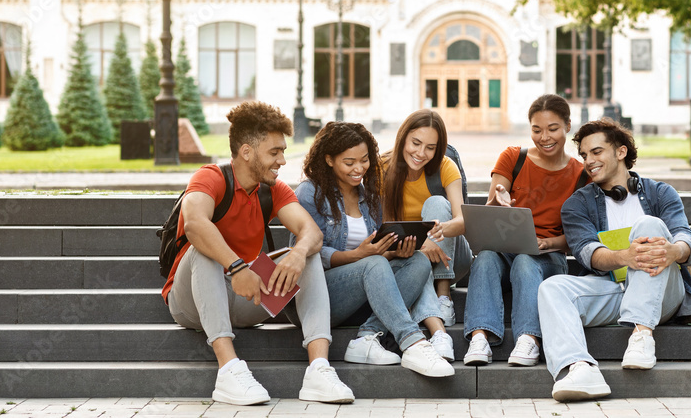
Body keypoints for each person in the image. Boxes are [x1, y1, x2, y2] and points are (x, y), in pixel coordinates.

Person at [162, 101, 354, 406]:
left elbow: (312, 233)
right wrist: (237, 268)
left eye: (283, 151)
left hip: (246, 299)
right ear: (247, 151)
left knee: (307, 254)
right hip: (191, 303)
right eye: (274, 152)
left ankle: (319, 370)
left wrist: (297, 253)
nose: (282, 161)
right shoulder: (210, 177)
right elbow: (195, 224)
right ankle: (229, 370)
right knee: (203, 250)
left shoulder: (273, 189)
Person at [537, 118, 691, 402]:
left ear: (621, 151)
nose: (589, 161)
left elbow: (685, 237)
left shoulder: (659, 192)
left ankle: (642, 335)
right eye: (584, 155)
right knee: (551, 287)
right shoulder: (577, 204)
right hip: (613, 290)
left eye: (597, 152)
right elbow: (589, 254)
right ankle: (579, 368)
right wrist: (626, 256)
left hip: (663, 293)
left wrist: (674, 252)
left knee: (649, 225)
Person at [294, 121, 454, 377]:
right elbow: (306, 253)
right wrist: (357, 256)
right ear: (329, 160)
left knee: (418, 261)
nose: (359, 168)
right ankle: (412, 341)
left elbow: (375, 250)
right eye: (349, 163)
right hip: (320, 297)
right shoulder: (310, 192)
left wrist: (393, 250)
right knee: (374, 263)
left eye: (365, 160)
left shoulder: (368, 194)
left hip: (365, 295)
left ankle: (367, 336)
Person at [462, 94, 584, 367]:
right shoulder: (513, 157)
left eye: (553, 128)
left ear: (567, 126)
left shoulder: (580, 175)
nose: (544, 137)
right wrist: (497, 202)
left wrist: (548, 243)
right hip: (506, 253)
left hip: (547, 258)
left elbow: (579, 237)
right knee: (486, 258)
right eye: (537, 130)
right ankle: (480, 337)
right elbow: (489, 213)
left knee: (526, 261)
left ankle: (529, 339)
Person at [380, 109, 471, 361]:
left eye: (430, 148)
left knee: (437, 203)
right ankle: (439, 334)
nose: (421, 153)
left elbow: (463, 220)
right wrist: (417, 249)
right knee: (417, 263)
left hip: (452, 255)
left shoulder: (445, 166)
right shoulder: (382, 167)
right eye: (416, 143)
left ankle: (443, 295)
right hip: (407, 254)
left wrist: (436, 232)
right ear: (403, 139)